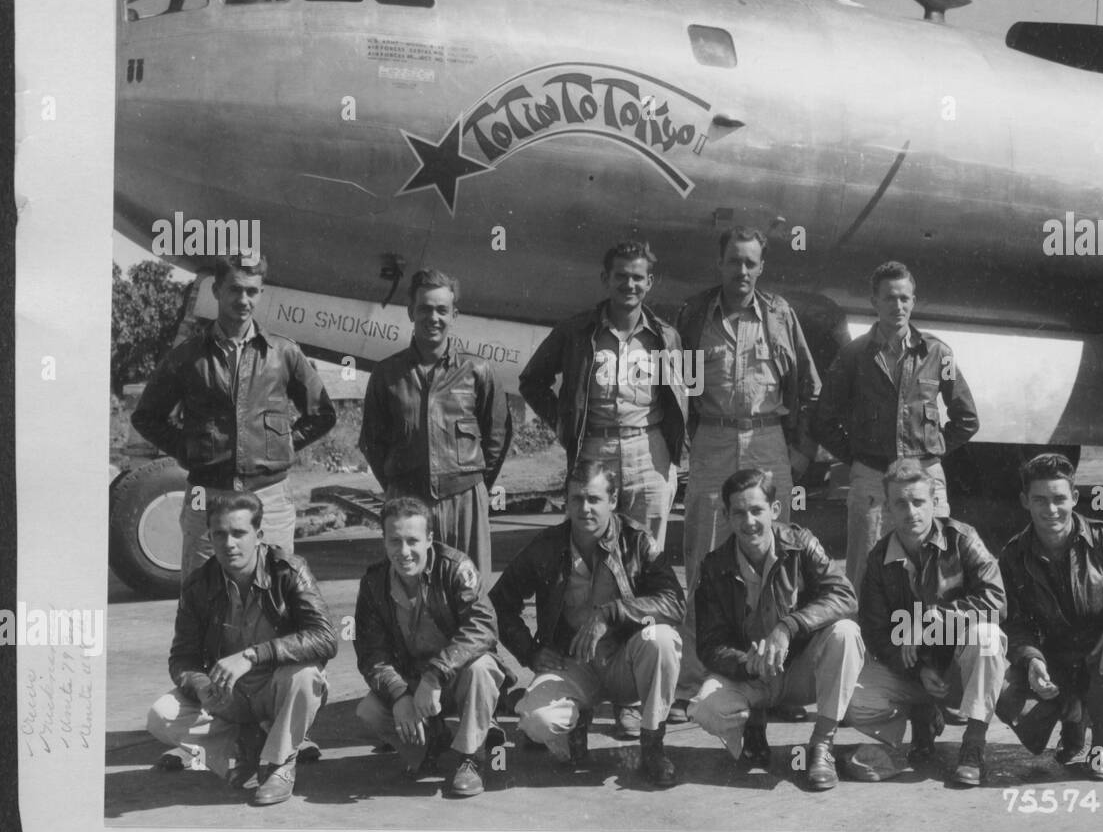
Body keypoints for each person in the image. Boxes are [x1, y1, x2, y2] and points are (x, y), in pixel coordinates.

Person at [517, 241, 688, 739]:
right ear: (605, 278)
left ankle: (633, 697)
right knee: (591, 561)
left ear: (649, 283)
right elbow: (532, 382)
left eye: (638, 277)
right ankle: (585, 675)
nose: (629, 285)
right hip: (594, 451)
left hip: (647, 449)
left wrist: (676, 450)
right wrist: (568, 427)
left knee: (643, 565)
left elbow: (681, 396)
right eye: (620, 276)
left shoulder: (666, 336)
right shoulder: (576, 330)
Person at [673, 227, 822, 721]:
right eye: (734, 262)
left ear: (762, 267)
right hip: (714, 440)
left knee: (774, 559)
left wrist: (800, 455)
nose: (742, 271)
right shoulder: (696, 316)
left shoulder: (779, 315)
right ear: (720, 264)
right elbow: (678, 390)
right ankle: (692, 682)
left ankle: (776, 680)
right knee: (703, 561)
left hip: (767, 438)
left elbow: (808, 384)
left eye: (750, 263)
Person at [132, 254, 337, 585]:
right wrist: (186, 450)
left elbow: (322, 414)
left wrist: (284, 444)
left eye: (252, 292)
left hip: (270, 493)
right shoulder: (187, 356)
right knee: (204, 598)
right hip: (207, 494)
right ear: (216, 291)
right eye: (235, 290)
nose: (244, 300)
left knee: (276, 593)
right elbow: (146, 416)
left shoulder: (283, 353)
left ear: (261, 293)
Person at [488, 460, 685, 787]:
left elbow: (674, 603)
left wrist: (611, 613)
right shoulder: (547, 546)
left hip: (625, 662)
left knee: (661, 640)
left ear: (612, 499)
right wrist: (531, 652)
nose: (585, 508)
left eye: (594, 499)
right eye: (576, 499)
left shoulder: (637, 541)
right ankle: (575, 725)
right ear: (566, 502)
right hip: (572, 664)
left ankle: (652, 746)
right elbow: (498, 604)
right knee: (537, 722)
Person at [145, 492, 338, 806]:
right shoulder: (198, 585)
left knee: (308, 676)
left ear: (258, 536)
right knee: (161, 715)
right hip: (229, 696)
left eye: (239, 533)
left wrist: (252, 655)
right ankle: (243, 749)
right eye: (219, 534)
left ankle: (279, 765)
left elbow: (325, 637)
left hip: (278, 690)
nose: (228, 543)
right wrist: (200, 684)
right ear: (210, 536)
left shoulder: (288, 571)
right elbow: (182, 658)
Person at [995, 453, 1103, 781]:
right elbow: (1011, 624)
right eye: (1040, 500)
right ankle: (1073, 715)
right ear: (1024, 502)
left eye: (1059, 499)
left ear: (1074, 498)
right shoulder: (1012, 556)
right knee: (999, 687)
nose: (1051, 510)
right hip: (1052, 663)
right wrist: (1031, 660)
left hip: (1100, 660)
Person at [691, 468, 865, 791]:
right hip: (753, 674)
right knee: (705, 707)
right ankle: (753, 727)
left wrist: (789, 626)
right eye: (739, 513)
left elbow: (844, 595)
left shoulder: (801, 544)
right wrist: (745, 664)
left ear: (774, 510)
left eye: (757, 510)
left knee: (845, 633)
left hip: (800, 671)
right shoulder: (714, 566)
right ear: (726, 516)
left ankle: (821, 746)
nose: (749, 522)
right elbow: (709, 644)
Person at [812, 260, 979, 592]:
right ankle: (864, 641)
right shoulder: (853, 356)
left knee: (937, 572)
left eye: (904, 298)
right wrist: (858, 458)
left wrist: (931, 452)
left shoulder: (938, 354)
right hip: (871, 481)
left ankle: (933, 642)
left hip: (926, 478)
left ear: (914, 301)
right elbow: (823, 420)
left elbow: (967, 419)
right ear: (874, 302)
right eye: (889, 298)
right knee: (862, 572)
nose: (898, 306)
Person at [846, 459, 1007, 786]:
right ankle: (920, 717)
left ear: (934, 503)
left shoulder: (963, 539)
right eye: (900, 503)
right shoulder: (879, 558)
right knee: (853, 700)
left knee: (988, 635)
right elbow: (875, 633)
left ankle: (973, 745)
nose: (911, 512)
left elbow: (996, 600)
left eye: (919, 502)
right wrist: (917, 670)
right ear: (888, 507)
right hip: (918, 673)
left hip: (961, 671)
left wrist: (935, 616)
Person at [360, 269, 512, 580]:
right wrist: (398, 487)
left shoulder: (478, 371)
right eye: (425, 308)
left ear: (455, 314)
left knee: (470, 592)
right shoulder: (386, 374)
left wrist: (475, 488)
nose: (433, 317)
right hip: (409, 501)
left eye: (442, 310)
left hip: (464, 501)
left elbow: (497, 437)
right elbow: (371, 443)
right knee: (411, 593)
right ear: (411, 312)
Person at [353, 497, 507, 798]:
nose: (404, 551)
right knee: (370, 710)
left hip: (453, 678)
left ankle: (470, 757)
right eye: (394, 541)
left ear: (430, 540)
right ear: (384, 542)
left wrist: (435, 675)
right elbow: (372, 654)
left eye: (413, 540)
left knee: (482, 667)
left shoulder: (455, 567)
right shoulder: (373, 583)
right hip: (412, 683)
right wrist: (398, 695)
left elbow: (483, 626)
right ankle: (430, 746)